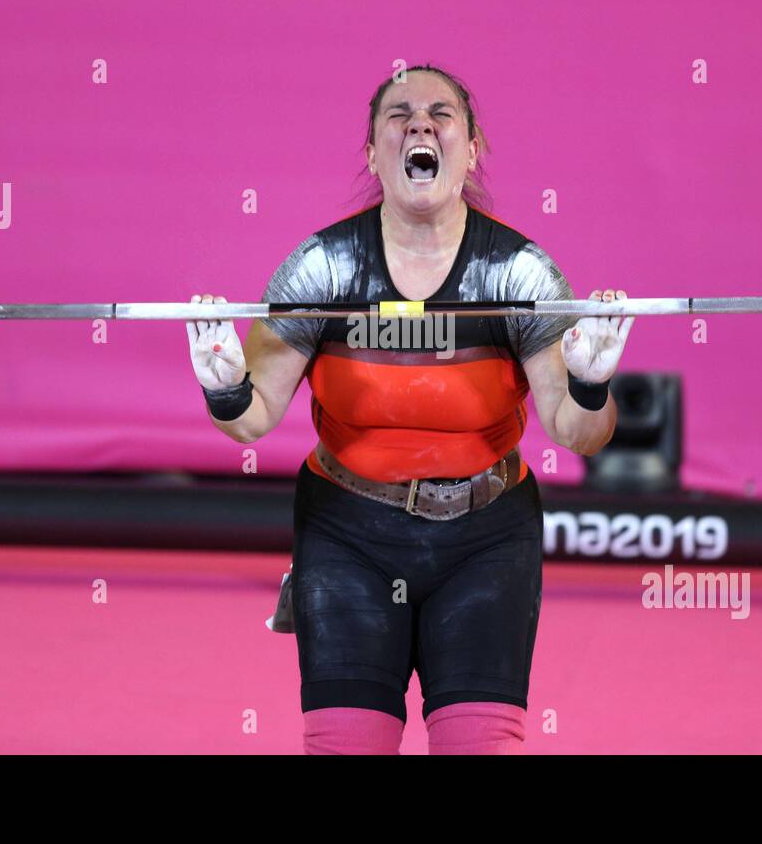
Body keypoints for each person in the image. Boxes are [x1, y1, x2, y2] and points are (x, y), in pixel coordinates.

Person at [187, 65, 632, 754]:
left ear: (471, 148)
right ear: (373, 153)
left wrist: (591, 385)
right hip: (347, 537)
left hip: (486, 542)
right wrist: (225, 387)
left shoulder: (520, 275)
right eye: (398, 114)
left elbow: (580, 435)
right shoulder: (322, 269)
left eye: (440, 113)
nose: (419, 124)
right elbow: (253, 418)